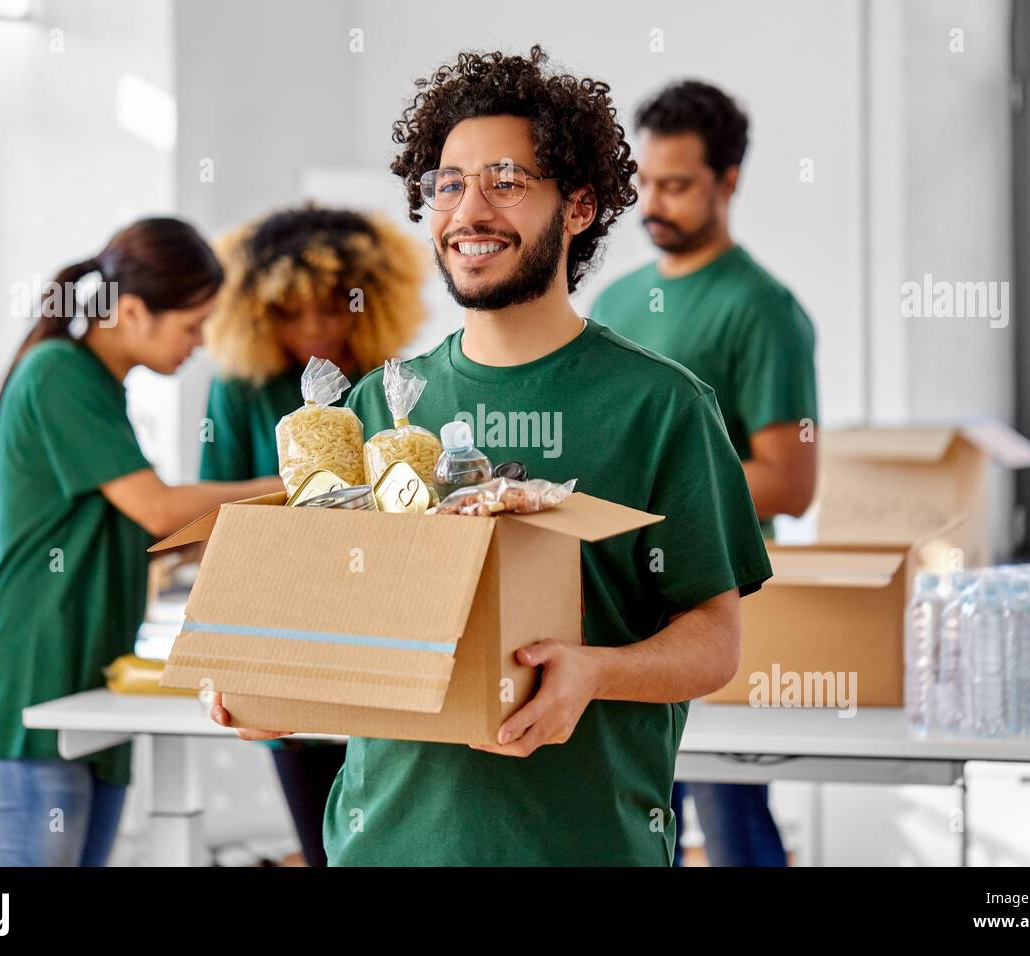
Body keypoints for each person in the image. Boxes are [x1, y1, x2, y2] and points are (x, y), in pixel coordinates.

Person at [210, 46, 773, 866]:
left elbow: (716, 641)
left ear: (578, 207)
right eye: (448, 183)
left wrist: (593, 672)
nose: (468, 210)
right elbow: (334, 631)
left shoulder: (663, 406)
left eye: (505, 182)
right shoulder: (372, 407)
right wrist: (270, 690)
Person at [0, 218, 284, 866]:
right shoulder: (59, 372)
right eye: (191, 326)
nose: (198, 344)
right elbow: (160, 508)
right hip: (33, 697)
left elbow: (146, 538)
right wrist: (289, 482)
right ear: (132, 310)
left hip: (88, 693)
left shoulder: (102, 390)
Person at [592, 80, 819, 867]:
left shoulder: (763, 311)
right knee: (629, 823)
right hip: (610, 610)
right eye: (647, 181)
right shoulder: (614, 300)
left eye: (678, 185)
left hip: (702, 603)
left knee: (730, 824)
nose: (655, 202)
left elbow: (790, 481)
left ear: (728, 182)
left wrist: (651, 492)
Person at [199, 205, 426, 866]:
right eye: (291, 313)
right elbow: (219, 523)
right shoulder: (240, 391)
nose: (313, 330)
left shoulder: (399, 387)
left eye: (332, 309)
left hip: (386, 638)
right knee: (320, 842)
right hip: (285, 634)